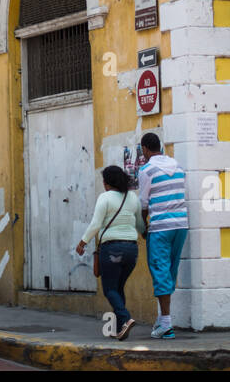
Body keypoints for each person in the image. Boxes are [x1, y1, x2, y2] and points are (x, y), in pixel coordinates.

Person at [75, 165, 145, 341]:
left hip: (112, 249)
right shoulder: (133, 198)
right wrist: (147, 235)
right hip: (131, 250)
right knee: (118, 288)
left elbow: (96, 224)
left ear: (107, 183)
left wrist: (83, 241)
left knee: (109, 289)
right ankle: (120, 327)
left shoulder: (104, 198)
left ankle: (126, 318)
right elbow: (139, 225)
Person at [137, 132, 186, 339]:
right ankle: (162, 319)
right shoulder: (179, 168)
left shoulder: (146, 170)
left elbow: (144, 204)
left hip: (160, 228)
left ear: (146, 149)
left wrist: (144, 226)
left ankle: (166, 323)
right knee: (170, 271)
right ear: (161, 147)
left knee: (159, 271)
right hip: (181, 226)